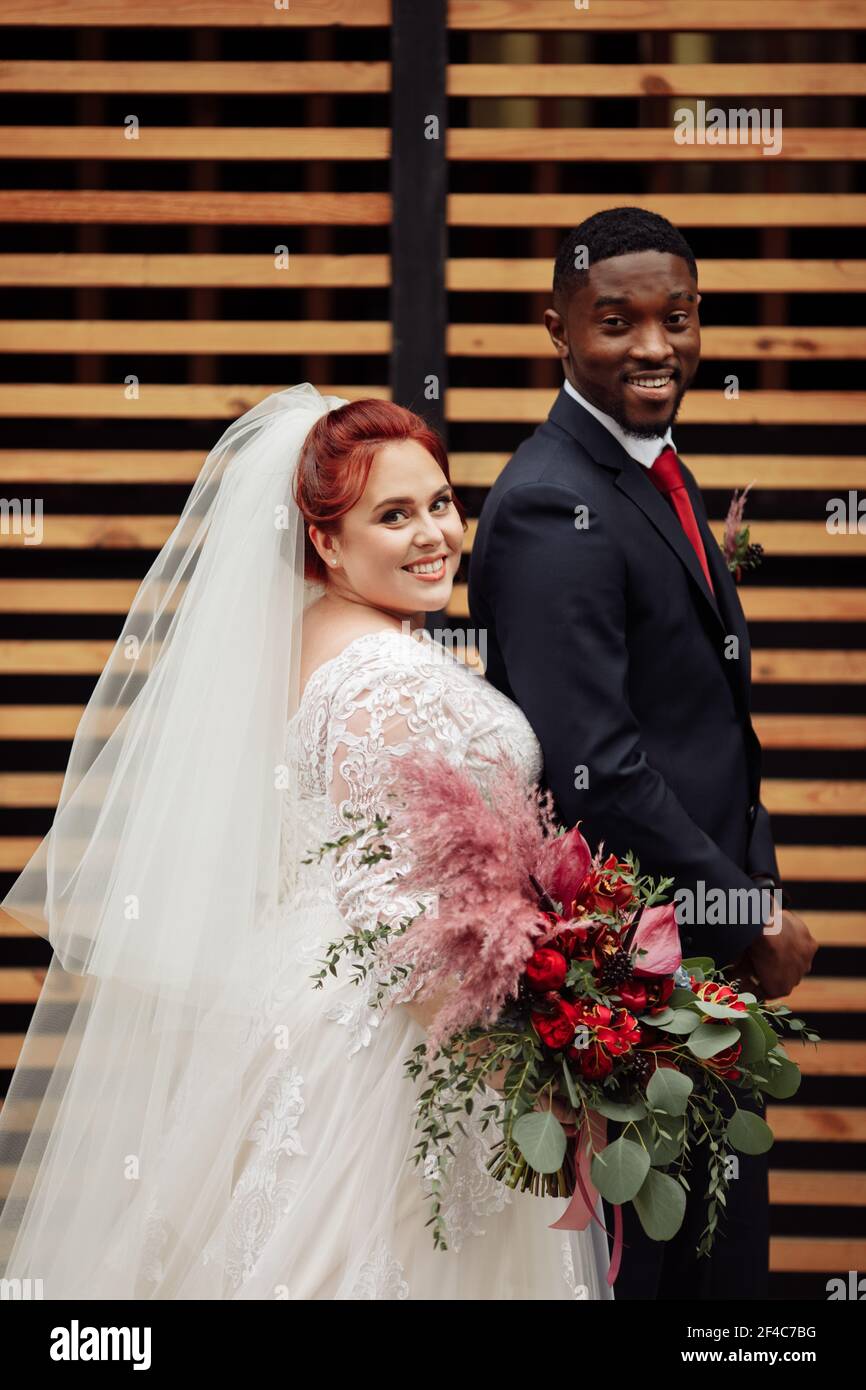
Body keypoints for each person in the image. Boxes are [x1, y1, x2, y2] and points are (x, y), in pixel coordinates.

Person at [0, 384, 611, 1300]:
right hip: (401, 1050)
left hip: (336, 1005)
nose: (433, 534)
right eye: (393, 516)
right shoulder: (378, 673)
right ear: (325, 540)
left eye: (439, 503)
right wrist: (530, 1063)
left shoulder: (321, 640)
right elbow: (392, 912)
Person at [468, 207, 817, 1300]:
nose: (653, 346)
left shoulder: (648, 467)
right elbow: (597, 769)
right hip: (636, 978)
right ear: (556, 330)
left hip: (697, 960)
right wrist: (741, 912)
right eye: (614, 321)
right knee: (660, 1273)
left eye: (675, 317)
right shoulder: (546, 504)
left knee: (716, 1268)